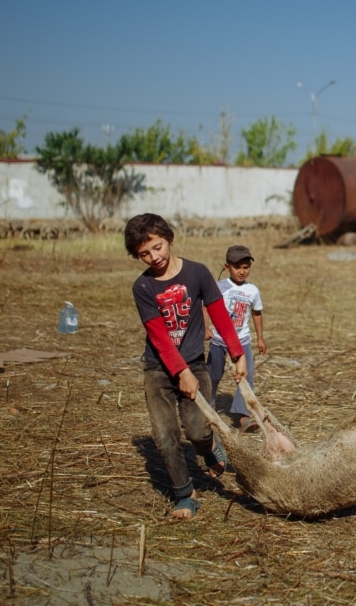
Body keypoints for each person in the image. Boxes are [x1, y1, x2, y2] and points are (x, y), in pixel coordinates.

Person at [125, 213, 248, 519]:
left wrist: (237, 352)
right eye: (144, 254)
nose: (154, 257)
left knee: (196, 429)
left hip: (194, 362)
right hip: (158, 368)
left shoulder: (197, 273)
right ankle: (185, 495)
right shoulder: (143, 287)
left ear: (169, 238)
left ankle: (208, 447)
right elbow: (159, 337)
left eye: (157, 247)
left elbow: (219, 314)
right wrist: (179, 373)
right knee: (165, 436)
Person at [207, 244, 267, 430]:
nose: (242, 271)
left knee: (245, 376)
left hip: (242, 340)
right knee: (213, 375)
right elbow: (205, 305)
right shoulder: (218, 287)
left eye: (246, 267)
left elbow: (257, 313)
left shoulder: (252, 290)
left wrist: (260, 338)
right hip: (219, 339)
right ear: (227, 267)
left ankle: (243, 417)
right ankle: (208, 408)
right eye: (237, 267)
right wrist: (205, 326)